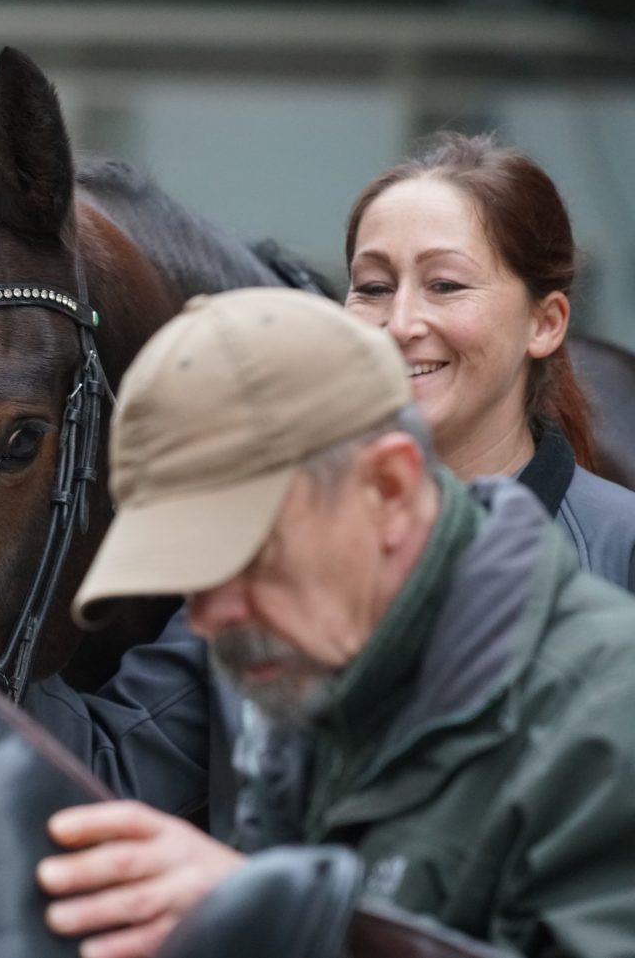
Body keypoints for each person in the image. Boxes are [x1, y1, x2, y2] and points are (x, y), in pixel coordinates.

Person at [36, 287, 635, 958]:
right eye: (188, 576)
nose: (207, 620)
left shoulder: (607, 710)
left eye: (247, 556)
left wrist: (296, 920)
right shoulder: (311, 697)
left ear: (389, 489)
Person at [343, 132, 635, 589]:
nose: (399, 324)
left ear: (545, 323)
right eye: (374, 287)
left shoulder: (619, 548)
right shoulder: (286, 532)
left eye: (445, 285)